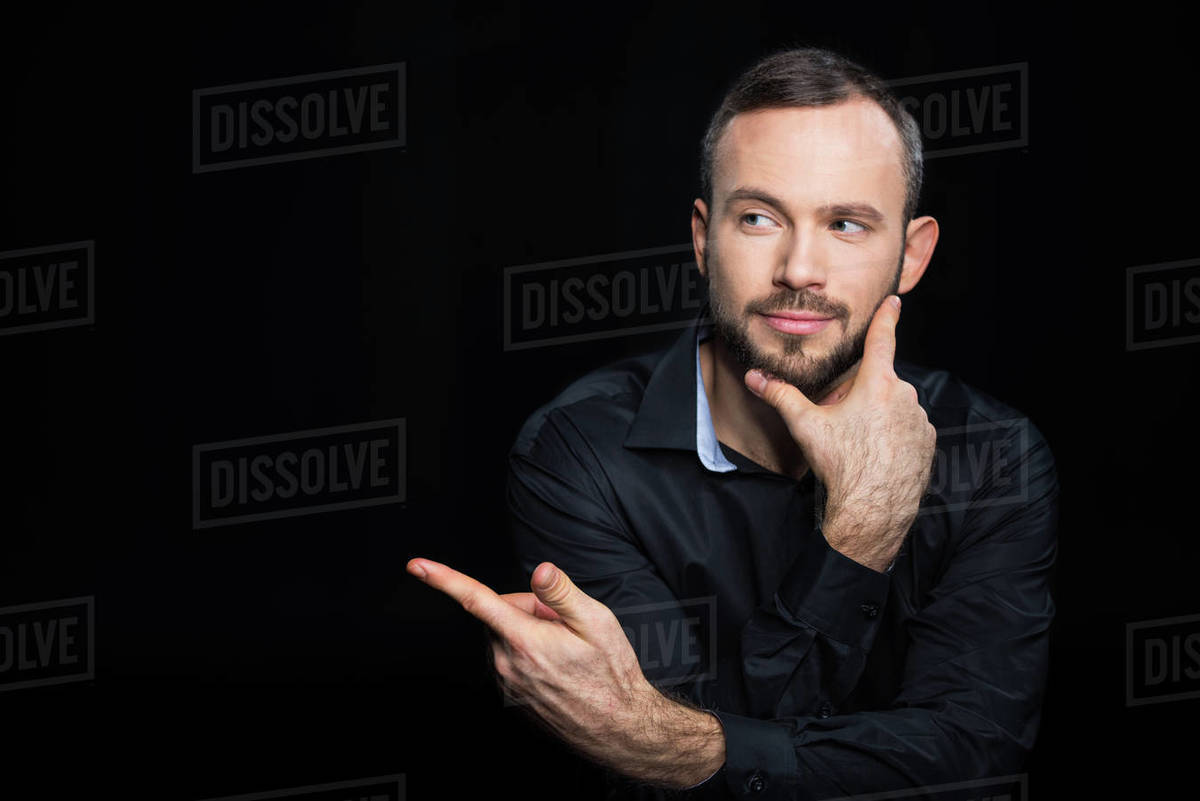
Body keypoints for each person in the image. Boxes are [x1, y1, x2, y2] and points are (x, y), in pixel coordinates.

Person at [409, 45, 1057, 801]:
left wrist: (674, 745)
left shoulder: (996, 459)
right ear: (701, 235)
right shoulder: (579, 457)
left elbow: (974, 767)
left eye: (846, 224)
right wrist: (858, 537)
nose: (799, 268)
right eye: (758, 217)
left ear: (910, 256)